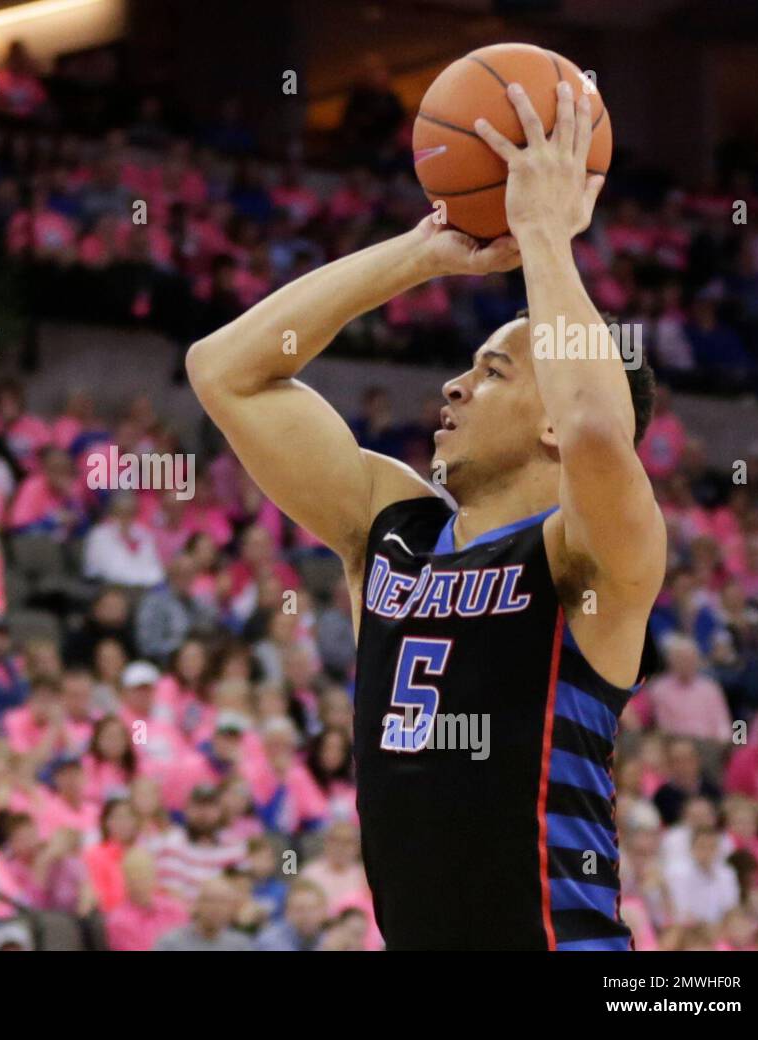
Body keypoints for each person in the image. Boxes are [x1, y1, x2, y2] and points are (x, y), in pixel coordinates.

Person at [187, 82, 664, 950]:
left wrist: (545, 235)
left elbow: (599, 422)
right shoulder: (391, 527)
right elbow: (227, 371)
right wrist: (422, 255)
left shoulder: (585, 559)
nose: (454, 384)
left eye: (492, 372)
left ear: (552, 414)